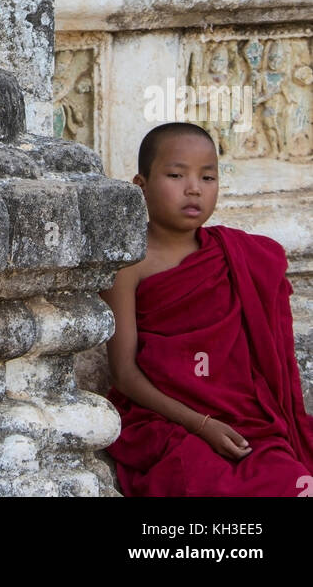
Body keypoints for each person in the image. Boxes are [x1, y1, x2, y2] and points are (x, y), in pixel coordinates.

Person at [102, 121, 313, 496]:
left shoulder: (235, 255)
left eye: (208, 177)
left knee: (292, 480)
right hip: (166, 420)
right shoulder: (130, 264)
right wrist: (201, 424)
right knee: (197, 480)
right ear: (141, 185)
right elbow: (124, 373)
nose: (194, 188)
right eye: (175, 174)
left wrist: (222, 422)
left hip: (244, 418)